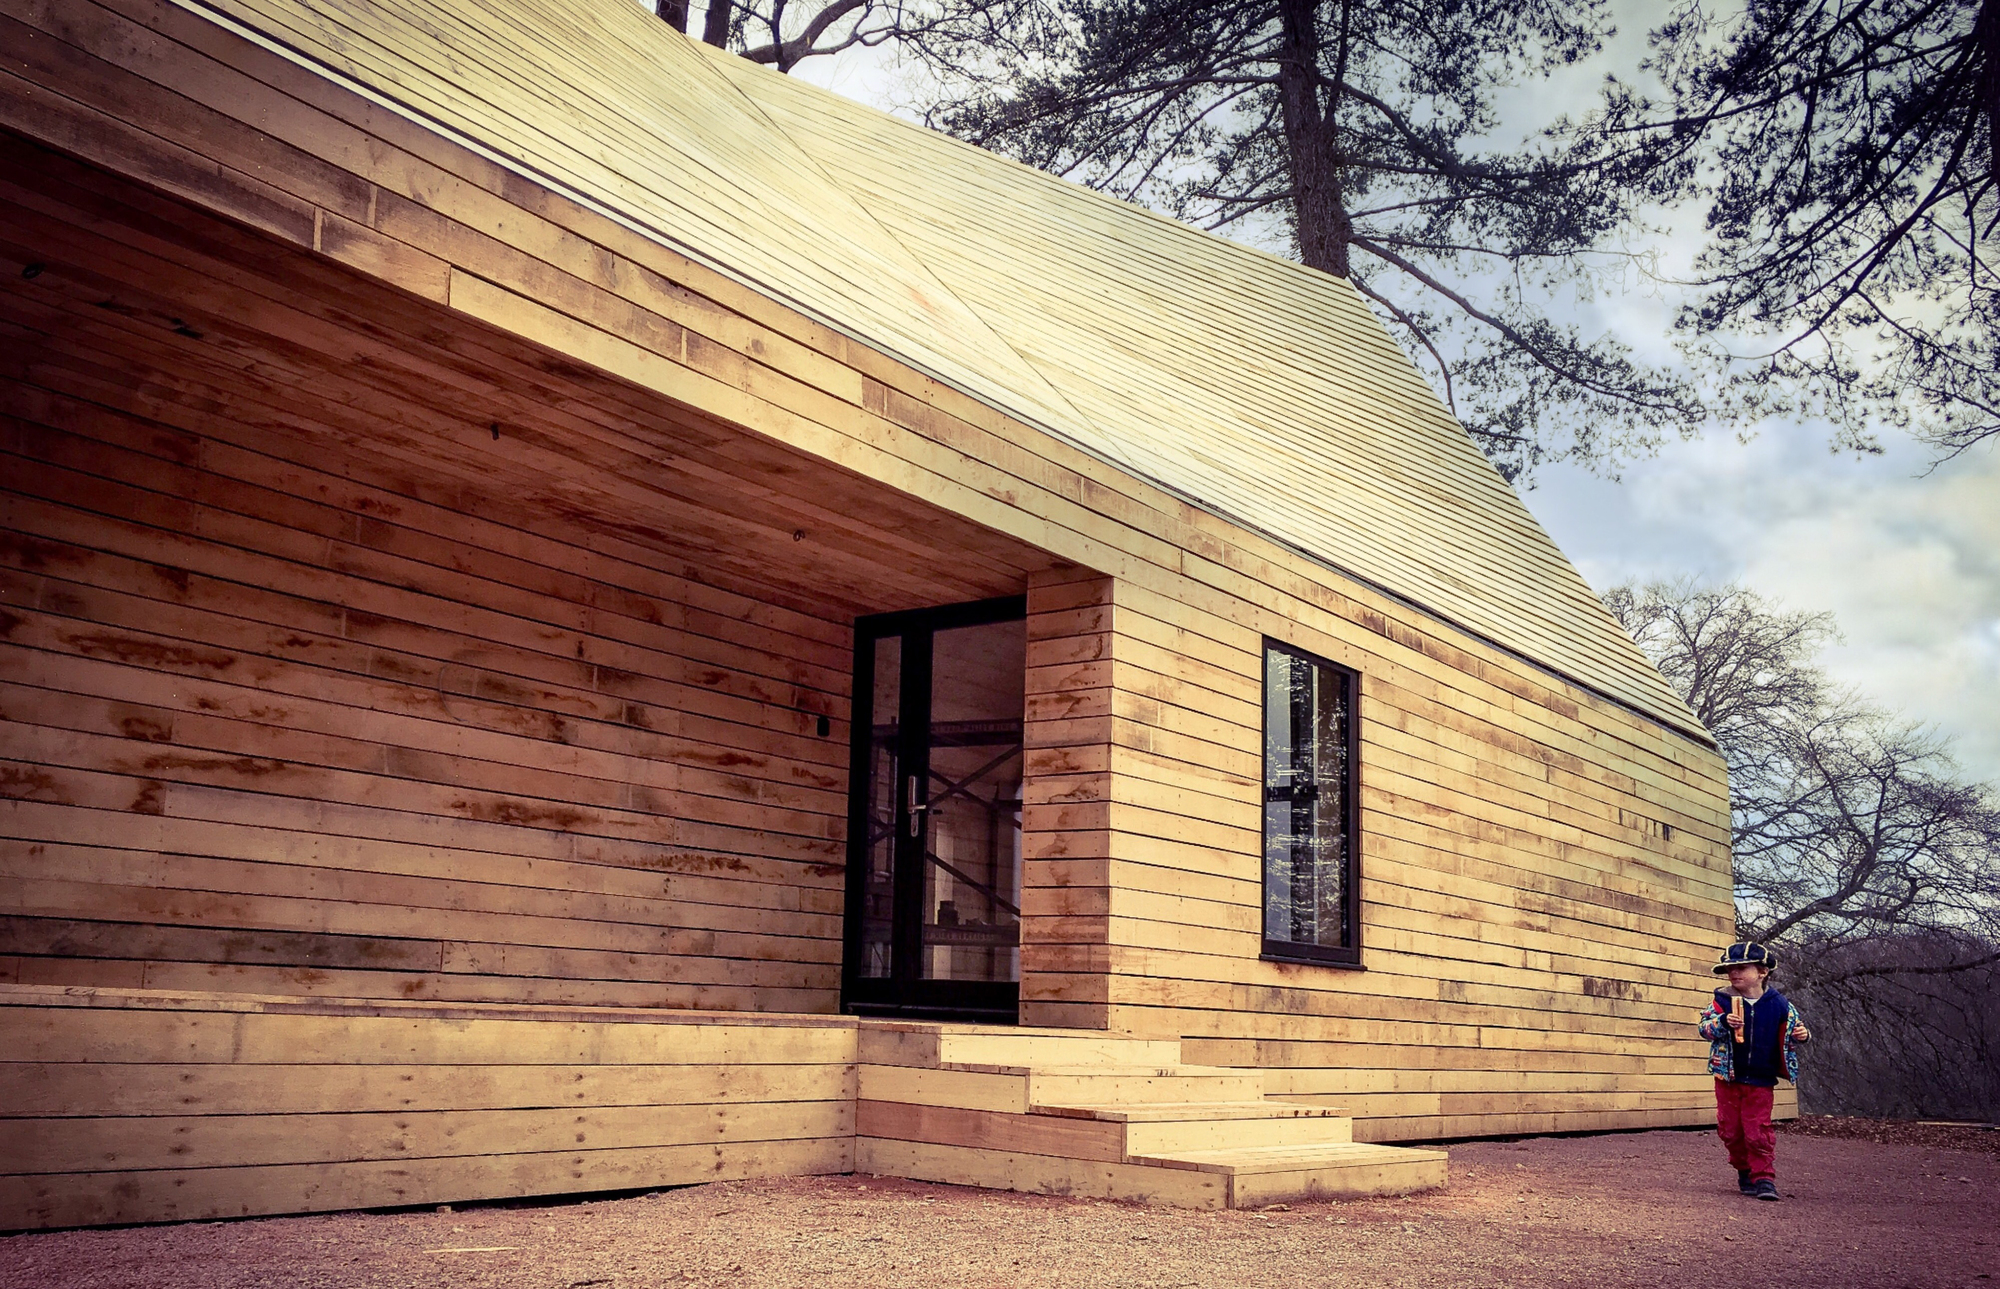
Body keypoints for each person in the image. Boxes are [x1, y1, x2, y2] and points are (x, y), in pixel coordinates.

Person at [1697, 942, 1810, 1201]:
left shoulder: (1779, 1004)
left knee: (1757, 1130)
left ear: (1762, 972)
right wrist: (1722, 1022)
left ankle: (1764, 1179)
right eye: (1730, 969)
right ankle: (1744, 1169)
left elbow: (1795, 1029)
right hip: (1728, 1077)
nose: (1734, 973)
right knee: (1730, 1131)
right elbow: (1704, 1028)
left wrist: (1803, 1035)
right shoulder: (1721, 1001)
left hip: (1761, 1078)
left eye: (1741, 968)